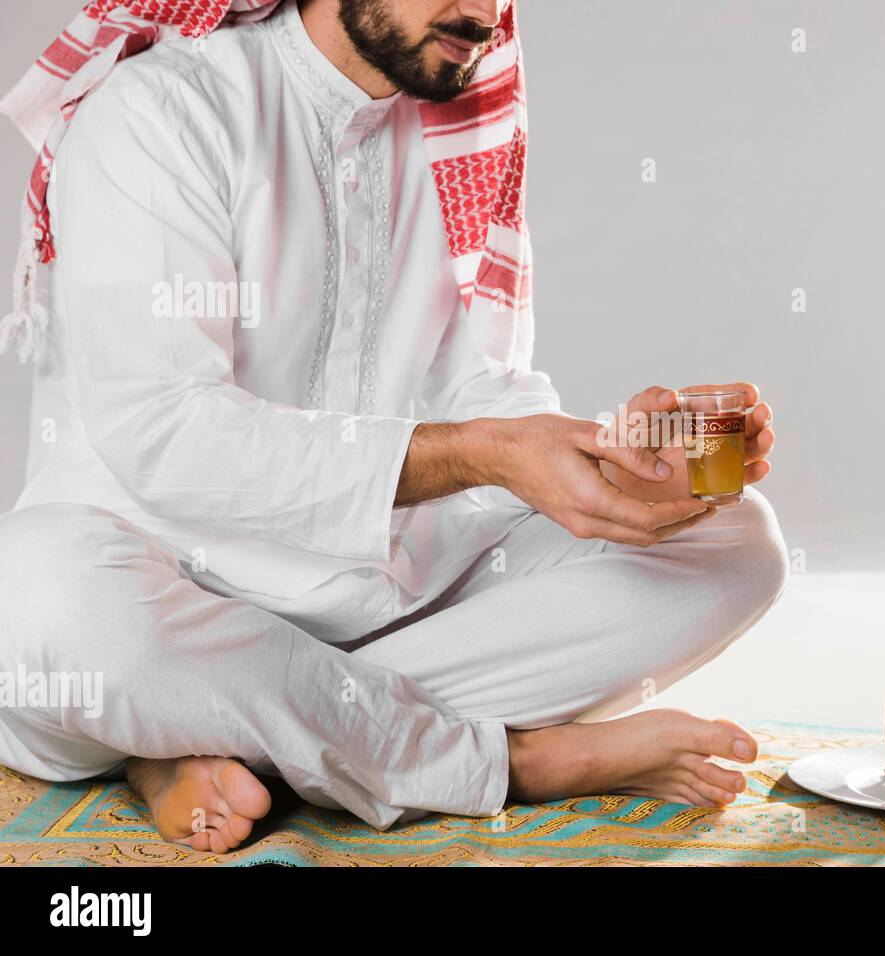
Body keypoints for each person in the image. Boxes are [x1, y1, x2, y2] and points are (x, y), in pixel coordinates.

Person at [0, 0, 785, 854]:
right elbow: (166, 434)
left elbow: (483, 390)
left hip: (382, 598)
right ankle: (511, 763)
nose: (484, 14)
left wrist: (611, 458)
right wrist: (490, 455)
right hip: (161, 588)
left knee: (735, 544)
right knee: (42, 610)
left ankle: (203, 738)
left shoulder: (461, 130)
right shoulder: (163, 112)